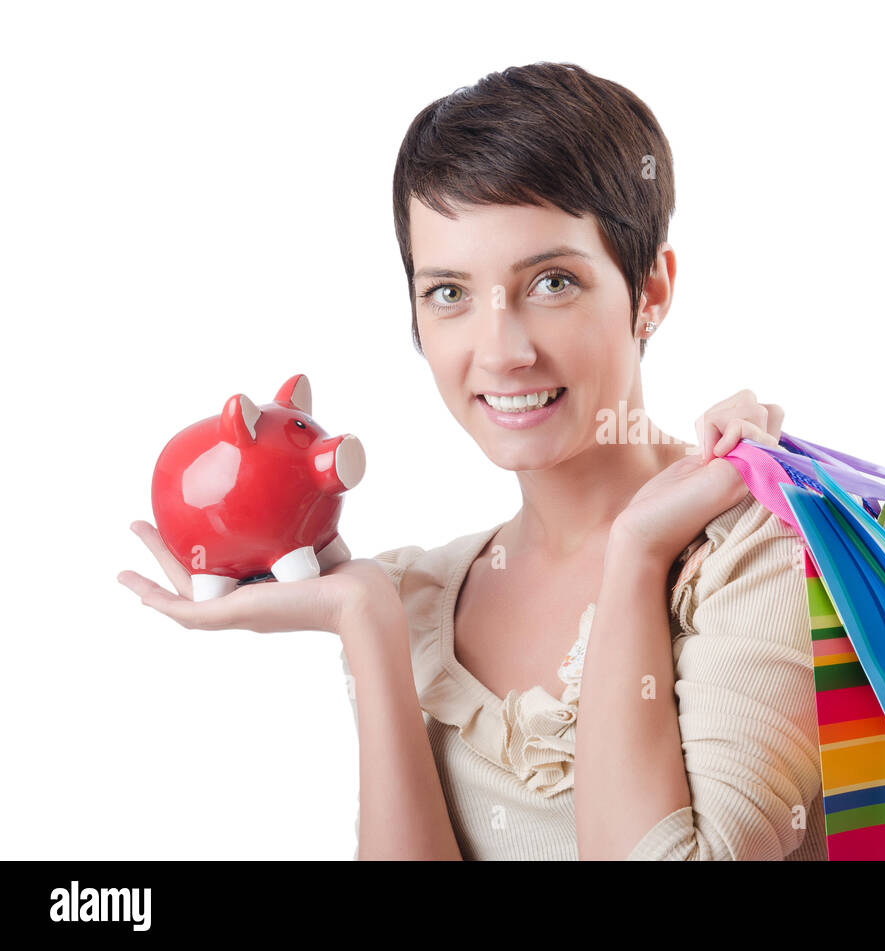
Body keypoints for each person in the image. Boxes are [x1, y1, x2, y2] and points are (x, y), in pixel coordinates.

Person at [119, 62, 827, 861]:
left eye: (553, 281)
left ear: (652, 290)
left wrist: (637, 553)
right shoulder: (420, 599)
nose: (503, 351)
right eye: (450, 293)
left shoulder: (759, 555)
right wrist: (367, 621)